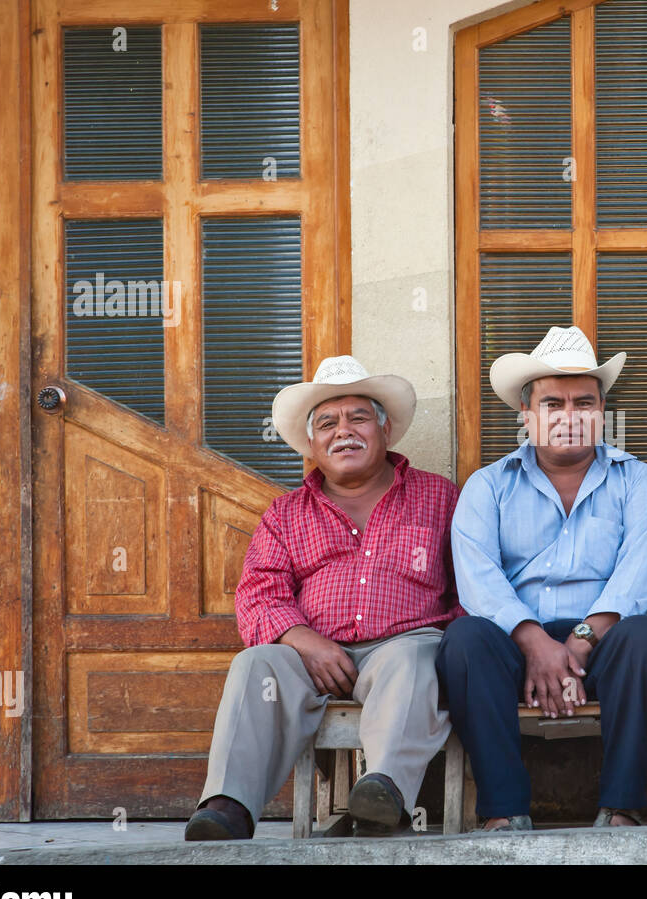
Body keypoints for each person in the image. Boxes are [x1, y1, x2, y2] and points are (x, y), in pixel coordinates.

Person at [185, 356, 462, 840]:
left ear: (386, 429)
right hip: (310, 656)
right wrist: (304, 641)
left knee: (417, 657)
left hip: (401, 646)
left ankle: (383, 795)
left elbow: (473, 584)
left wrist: (452, 633)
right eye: (328, 423)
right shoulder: (285, 513)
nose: (344, 431)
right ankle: (228, 804)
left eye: (359, 417)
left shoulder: (440, 497)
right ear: (312, 444)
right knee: (256, 665)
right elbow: (258, 593)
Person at [437, 326, 647, 830]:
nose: (570, 416)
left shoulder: (640, 480)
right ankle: (503, 811)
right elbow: (477, 577)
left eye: (584, 402)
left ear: (602, 412)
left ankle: (621, 808)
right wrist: (534, 644)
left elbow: (640, 573)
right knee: (463, 641)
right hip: (515, 638)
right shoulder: (487, 486)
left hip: (604, 636)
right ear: (527, 416)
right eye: (553, 404)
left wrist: (581, 641)